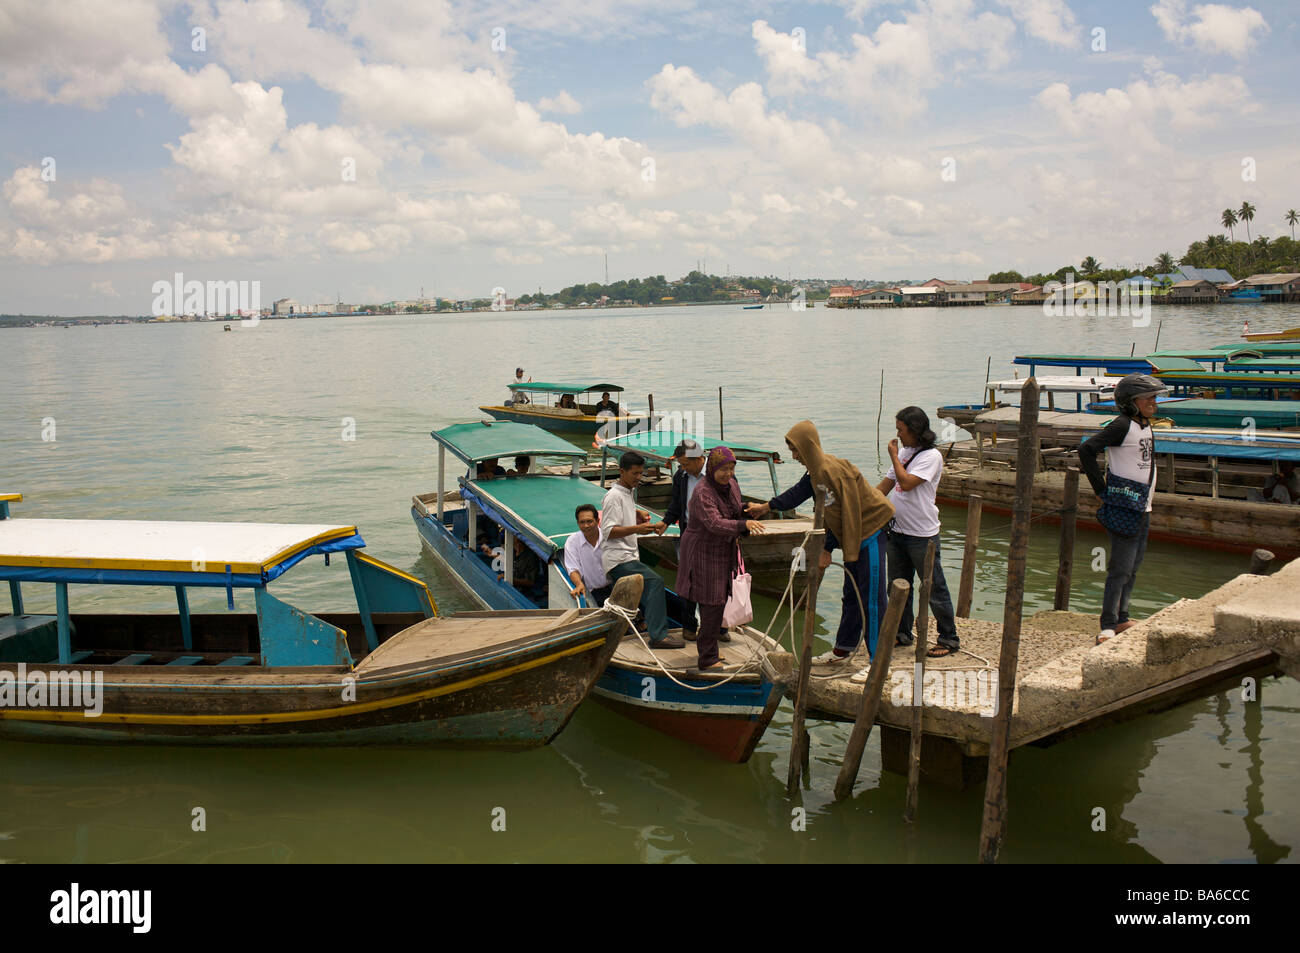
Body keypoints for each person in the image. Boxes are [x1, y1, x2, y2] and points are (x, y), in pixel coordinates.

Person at [745, 421, 894, 666]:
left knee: (872, 600)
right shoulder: (815, 471)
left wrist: (826, 549)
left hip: (870, 530)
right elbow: (798, 493)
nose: (794, 456)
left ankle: (879, 661)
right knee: (851, 595)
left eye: (795, 450)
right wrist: (766, 507)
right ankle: (842, 650)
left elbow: (844, 512)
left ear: (807, 447)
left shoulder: (831, 471)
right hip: (853, 536)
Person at [1079, 373, 1167, 645]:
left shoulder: (1146, 426)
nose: (1154, 401)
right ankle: (1107, 625)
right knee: (1119, 568)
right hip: (1124, 505)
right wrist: (1101, 491)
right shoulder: (1122, 425)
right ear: (1131, 402)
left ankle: (1123, 616)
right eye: (1148, 397)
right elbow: (1087, 450)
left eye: (1154, 397)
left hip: (1143, 507)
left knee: (1134, 567)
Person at [875, 407, 960, 665]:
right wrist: (864, 500)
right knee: (898, 586)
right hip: (897, 530)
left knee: (933, 587)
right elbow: (887, 485)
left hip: (922, 535)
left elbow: (908, 482)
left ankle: (948, 638)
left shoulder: (931, 456)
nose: (898, 435)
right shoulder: (905, 452)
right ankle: (902, 633)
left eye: (901, 429)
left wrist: (892, 456)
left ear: (915, 430)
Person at [677, 447, 766, 670]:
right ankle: (707, 659)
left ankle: (710, 651)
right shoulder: (703, 492)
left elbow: (734, 509)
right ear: (712, 468)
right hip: (702, 552)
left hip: (722, 550)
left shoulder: (732, 485)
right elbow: (715, 523)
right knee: (711, 603)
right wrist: (744, 525)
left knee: (720, 600)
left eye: (731, 468)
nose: (728, 473)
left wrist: (749, 510)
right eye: (723, 469)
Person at [600, 451, 681, 648]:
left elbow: (622, 514)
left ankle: (637, 629)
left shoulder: (626, 493)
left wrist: (636, 513)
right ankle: (658, 636)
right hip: (619, 559)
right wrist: (639, 528)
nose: (638, 477)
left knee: (643, 589)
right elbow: (608, 531)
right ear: (622, 472)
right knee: (654, 582)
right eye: (634, 473)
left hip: (627, 556)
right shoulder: (613, 497)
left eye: (640, 473)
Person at [662, 438, 706, 639]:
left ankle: (718, 628)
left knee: (714, 582)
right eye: (681, 465)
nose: (683, 468)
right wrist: (665, 521)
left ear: (700, 459)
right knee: (688, 581)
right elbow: (676, 503)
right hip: (688, 532)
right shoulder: (681, 476)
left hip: (712, 535)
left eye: (686, 464)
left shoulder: (717, 476)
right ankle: (689, 627)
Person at [564, 504, 612, 606]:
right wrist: (579, 584)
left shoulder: (609, 536)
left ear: (597, 521)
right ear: (577, 523)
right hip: (593, 594)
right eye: (582, 522)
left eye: (589, 521)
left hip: (615, 587)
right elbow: (573, 569)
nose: (586, 525)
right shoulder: (572, 542)